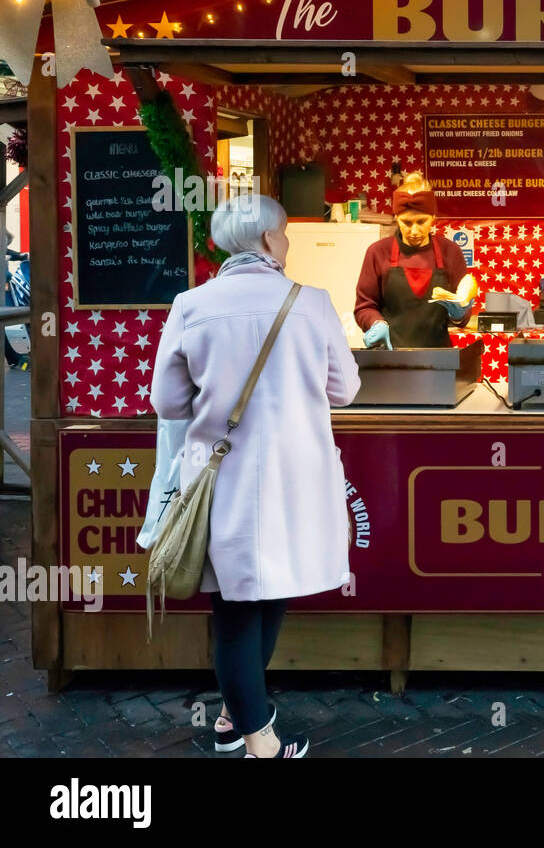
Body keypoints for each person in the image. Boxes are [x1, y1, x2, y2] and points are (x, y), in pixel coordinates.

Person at [151, 194, 360, 758]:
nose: (286, 241)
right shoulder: (311, 302)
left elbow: (167, 402)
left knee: (240, 601)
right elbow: (344, 389)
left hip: (223, 480)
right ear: (269, 238)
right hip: (298, 479)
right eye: (285, 232)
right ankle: (259, 740)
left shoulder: (190, 304)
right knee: (260, 601)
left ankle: (232, 718)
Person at [354, 174, 478, 348]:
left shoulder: (450, 252)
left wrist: (459, 314)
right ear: (396, 218)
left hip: (439, 358)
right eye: (406, 222)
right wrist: (375, 323)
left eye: (421, 221)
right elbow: (364, 306)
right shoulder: (378, 252)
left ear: (433, 217)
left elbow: (463, 316)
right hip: (390, 355)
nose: (414, 230)